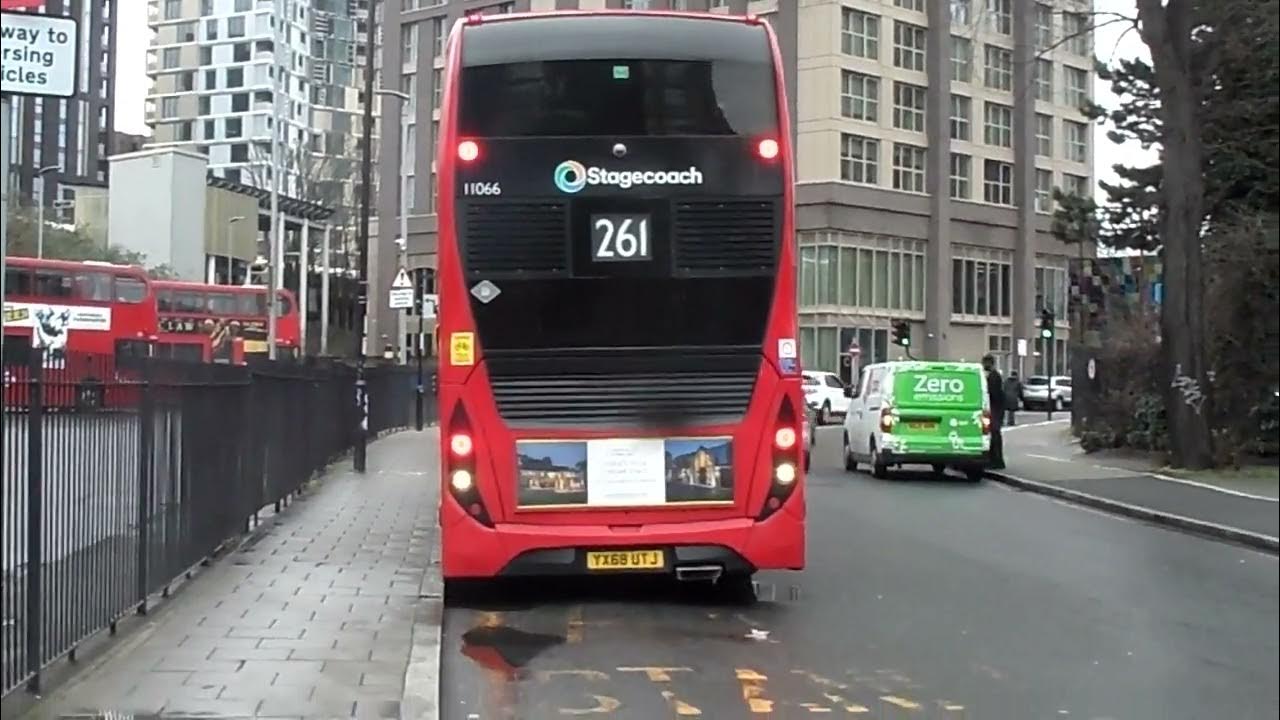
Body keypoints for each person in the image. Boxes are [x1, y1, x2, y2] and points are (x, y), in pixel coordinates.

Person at [982, 354, 1006, 469]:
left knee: (995, 434)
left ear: (990, 363)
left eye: (985, 363)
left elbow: (994, 394)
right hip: (996, 409)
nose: (984, 366)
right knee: (993, 434)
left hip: (995, 409)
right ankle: (994, 459)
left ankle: (997, 460)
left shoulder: (994, 377)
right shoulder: (993, 375)